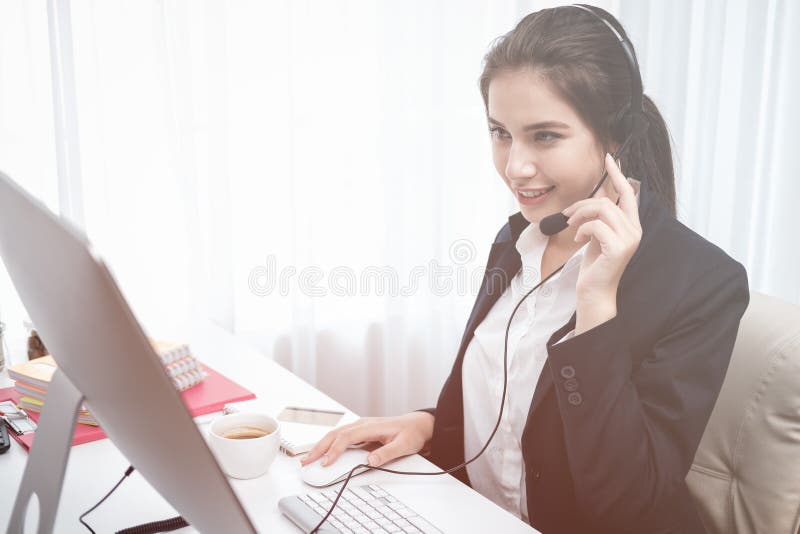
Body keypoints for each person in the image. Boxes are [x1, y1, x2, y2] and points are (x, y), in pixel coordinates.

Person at [302, 5, 749, 533]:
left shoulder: (702, 283)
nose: (515, 167)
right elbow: (507, 425)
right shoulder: (517, 239)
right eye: (501, 133)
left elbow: (629, 505)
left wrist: (597, 310)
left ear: (615, 137)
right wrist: (426, 426)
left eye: (545, 136)